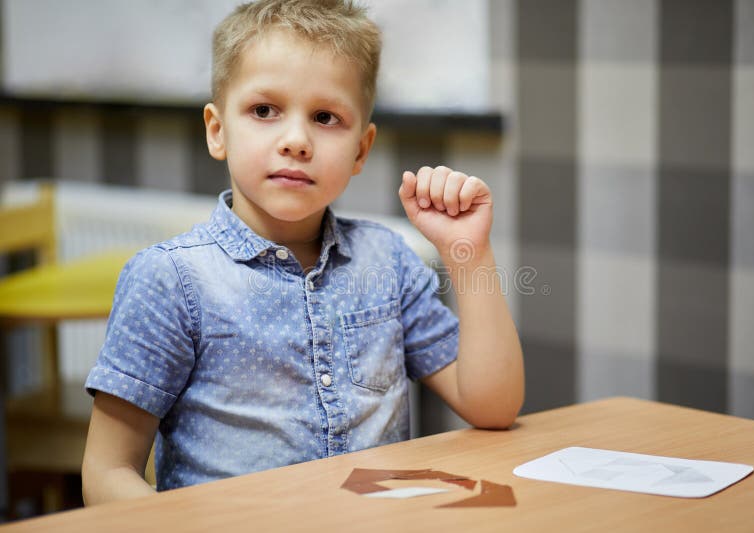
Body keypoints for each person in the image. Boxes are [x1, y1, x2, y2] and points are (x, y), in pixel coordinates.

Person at [81, 0, 524, 505]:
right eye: (264, 110)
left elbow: (494, 408)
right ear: (217, 129)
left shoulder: (389, 260)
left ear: (361, 148)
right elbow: (106, 470)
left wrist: (468, 252)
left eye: (325, 117)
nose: (296, 140)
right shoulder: (170, 279)